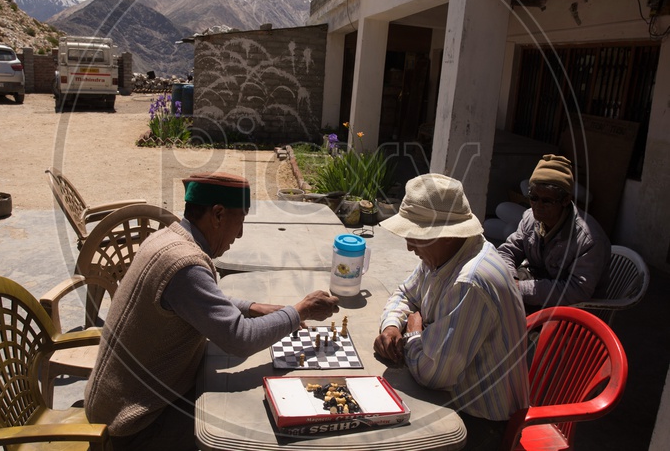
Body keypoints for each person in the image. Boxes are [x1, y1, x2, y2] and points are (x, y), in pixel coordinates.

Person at [85, 172, 339, 451]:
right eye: (240, 220)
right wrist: (299, 311)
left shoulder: (168, 238)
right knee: (249, 426)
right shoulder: (184, 265)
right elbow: (239, 339)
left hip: (117, 403)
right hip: (137, 424)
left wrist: (252, 307)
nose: (240, 234)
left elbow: (198, 300)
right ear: (218, 214)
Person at [373, 174, 529, 451]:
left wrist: (413, 334)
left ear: (445, 235)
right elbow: (406, 293)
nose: (409, 246)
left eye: (415, 237)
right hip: (454, 396)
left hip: (480, 420)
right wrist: (392, 326)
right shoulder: (442, 254)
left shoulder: (470, 280)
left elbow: (434, 375)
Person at [498, 154, 611, 311]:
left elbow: (577, 291)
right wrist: (511, 278)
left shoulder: (588, 240)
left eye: (546, 201)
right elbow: (508, 251)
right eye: (533, 198)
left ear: (565, 200)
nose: (537, 206)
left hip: (573, 309)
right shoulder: (531, 218)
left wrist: (521, 289)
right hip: (540, 291)